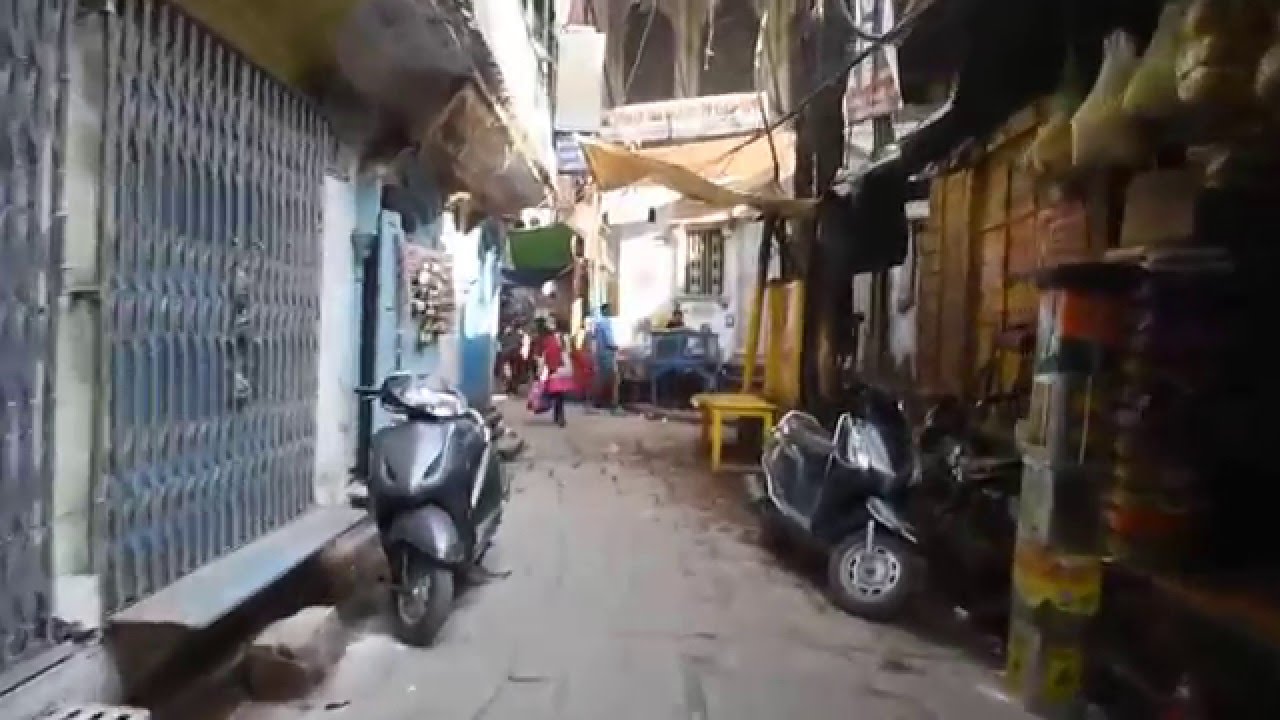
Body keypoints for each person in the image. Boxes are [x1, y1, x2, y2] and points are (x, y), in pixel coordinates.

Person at [536, 319, 571, 427]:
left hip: (557, 369)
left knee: (558, 393)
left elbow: (566, 352)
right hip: (552, 369)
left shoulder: (557, 338)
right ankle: (558, 416)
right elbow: (541, 356)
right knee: (556, 393)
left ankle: (559, 416)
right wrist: (540, 370)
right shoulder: (546, 339)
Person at [591, 303, 624, 414]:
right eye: (609, 309)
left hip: (600, 354)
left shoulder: (597, 323)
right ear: (605, 311)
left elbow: (595, 338)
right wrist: (617, 347)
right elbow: (609, 340)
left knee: (601, 379)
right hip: (607, 354)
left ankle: (598, 401)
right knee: (614, 379)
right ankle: (614, 404)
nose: (610, 311)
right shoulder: (606, 323)